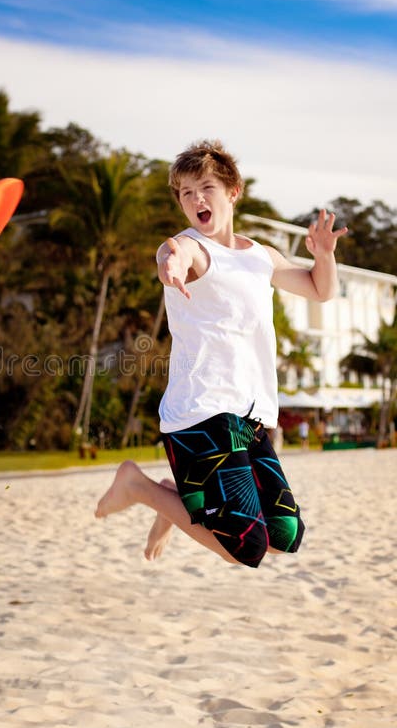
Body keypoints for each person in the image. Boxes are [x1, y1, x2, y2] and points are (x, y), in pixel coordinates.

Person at [95, 140, 348, 568]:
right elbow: (173, 255)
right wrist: (171, 268)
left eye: (206, 187)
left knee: (284, 535)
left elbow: (321, 291)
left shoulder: (261, 257)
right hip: (200, 411)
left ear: (233, 192)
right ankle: (137, 487)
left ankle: (168, 502)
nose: (196, 199)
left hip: (247, 415)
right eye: (186, 192)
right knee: (243, 548)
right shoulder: (188, 246)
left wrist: (325, 256)